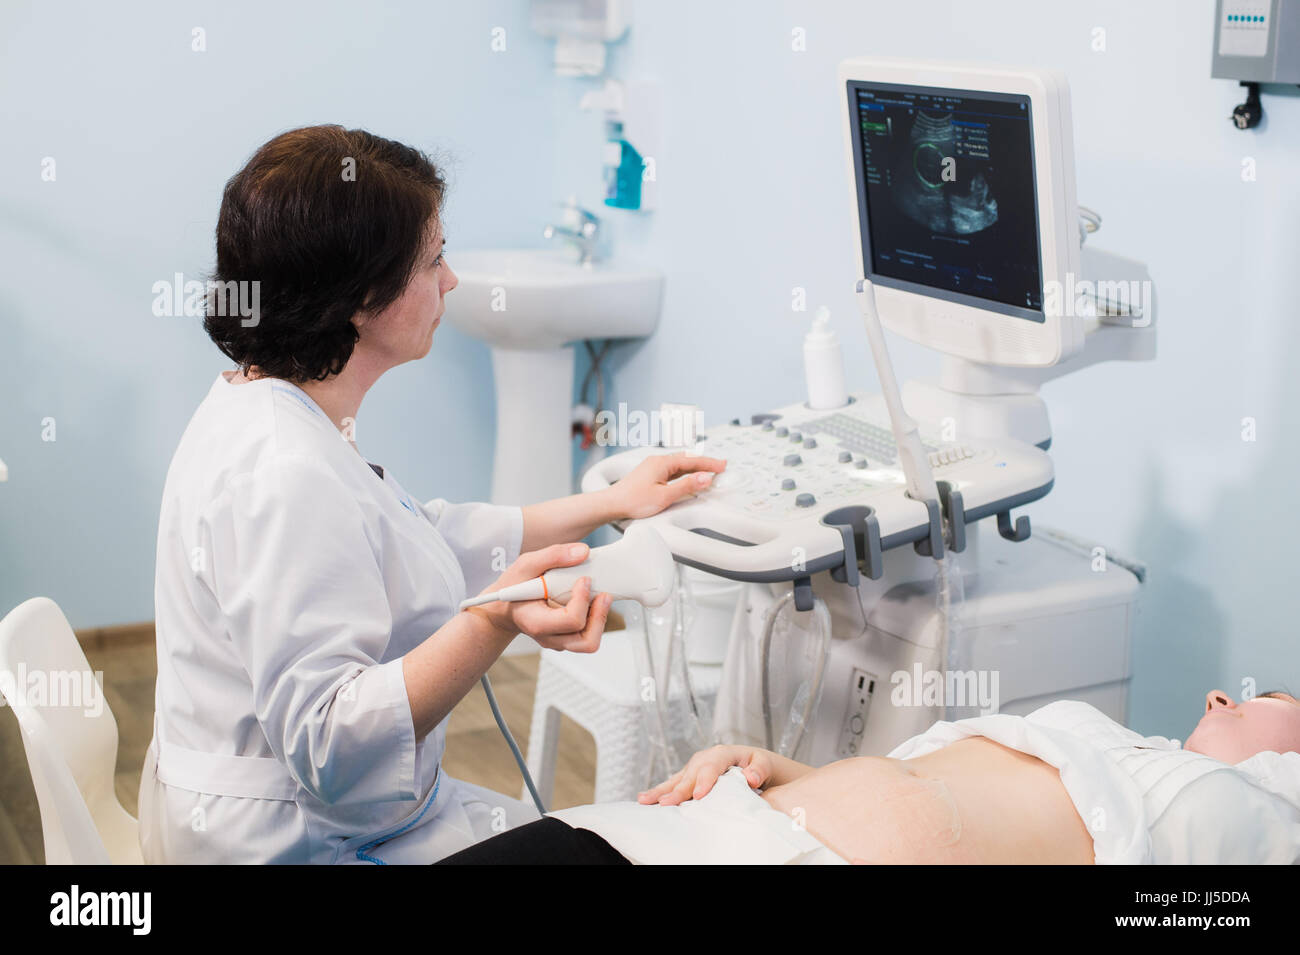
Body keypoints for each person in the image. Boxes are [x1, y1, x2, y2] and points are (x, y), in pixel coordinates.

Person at [137, 125, 725, 864]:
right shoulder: (284, 471)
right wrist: (495, 624)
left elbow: (419, 534)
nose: (451, 281)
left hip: (310, 811)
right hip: (294, 839)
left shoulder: (266, 399)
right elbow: (328, 741)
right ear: (361, 296)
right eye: (435, 259)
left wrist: (610, 502)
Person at [436, 689, 1300, 865]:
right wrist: (788, 768)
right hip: (683, 831)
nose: (1226, 691)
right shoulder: (1106, 731)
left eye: (1273, 698)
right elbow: (926, 783)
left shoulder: (1232, 817)